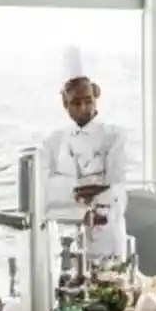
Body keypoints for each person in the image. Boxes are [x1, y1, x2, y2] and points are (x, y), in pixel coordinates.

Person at [43, 76, 129, 259]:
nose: (83, 108)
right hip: (66, 234)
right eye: (76, 103)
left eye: (88, 101)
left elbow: (115, 184)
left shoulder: (114, 135)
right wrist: (83, 188)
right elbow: (46, 191)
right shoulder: (54, 141)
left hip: (106, 233)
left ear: (96, 99)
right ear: (65, 104)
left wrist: (69, 189)